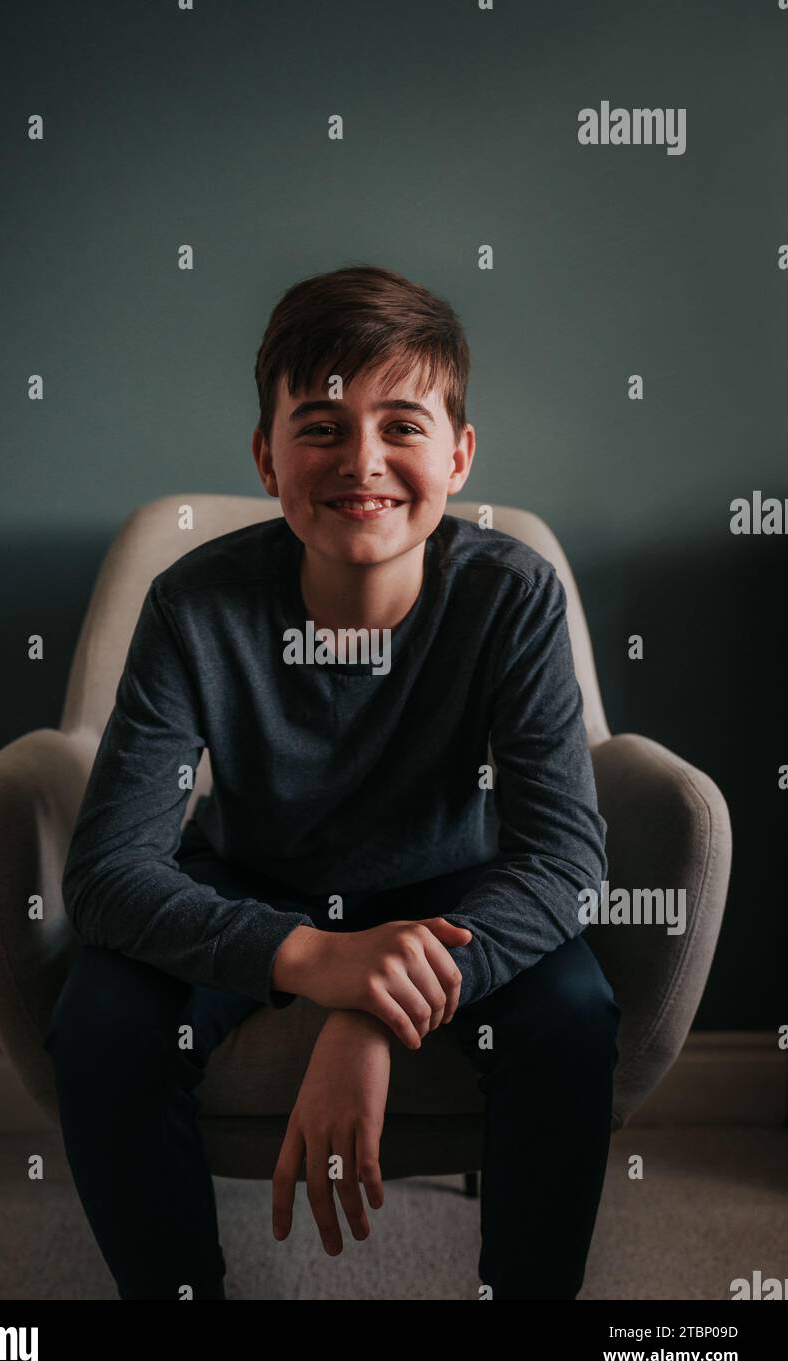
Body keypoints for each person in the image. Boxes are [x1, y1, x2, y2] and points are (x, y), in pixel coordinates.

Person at [45, 263, 620, 1301]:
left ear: (458, 454)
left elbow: (567, 863)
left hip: (452, 899)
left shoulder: (511, 594)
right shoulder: (194, 603)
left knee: (573, 1012)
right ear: (266, 457)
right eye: (320, 425)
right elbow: (106, 872)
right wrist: (315, 957)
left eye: (402, 425)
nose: (363, 461)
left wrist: (369, 1007)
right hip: (254, 880)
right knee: (100, 1017)